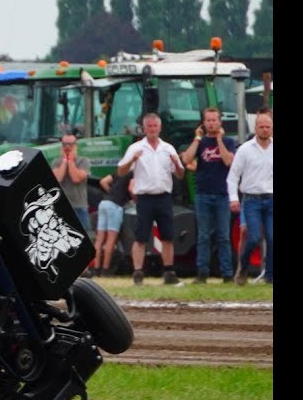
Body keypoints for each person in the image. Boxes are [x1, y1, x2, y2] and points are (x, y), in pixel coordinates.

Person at [116, 112, 186, 285]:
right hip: (145, 198)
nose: (153, 129)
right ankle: (138, 272)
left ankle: (169, 272)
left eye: (155, 126)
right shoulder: (136, 148)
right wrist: (132, 159)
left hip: (163, 197)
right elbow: (120, 172)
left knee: (167, 236)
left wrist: (177, 163)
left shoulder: (168, 148)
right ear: (144, 128)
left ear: (160, 128)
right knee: (140, 237)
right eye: (150, 126)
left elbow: (180, 174)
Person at [180, 108, 237, 284]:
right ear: (203, 123)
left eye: (214, 120)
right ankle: (202, 273)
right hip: (203, 195)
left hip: (222, 194)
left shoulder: (228, 141)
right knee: (203, 235)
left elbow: (228, 161)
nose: (212, 123)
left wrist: (219, 138)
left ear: (220, 122)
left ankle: (227, 274)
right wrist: (197, 138)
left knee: (223, 236)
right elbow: (186, 159)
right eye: (208, 120)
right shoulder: (201, 143)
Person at [227, 110, 273, 285]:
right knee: (253, 237)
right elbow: (233, 176)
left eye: (267, 127)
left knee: (271, 237)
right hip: (251, 200)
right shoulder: (245, 150)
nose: (264, 130)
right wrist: (233, 198)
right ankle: (243, 266)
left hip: (271, 199)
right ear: (255, 128)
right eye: (261, 126)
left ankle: (270, 275)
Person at [92, 170, 132, 277]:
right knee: (111, 239)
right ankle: (105, 270)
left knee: (99, 240)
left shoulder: (119, 171)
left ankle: (96, 269)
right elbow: (131, 188)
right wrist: (129, 199)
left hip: (104, 203)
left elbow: (103, 181)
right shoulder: (133, 173)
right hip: (115, 206)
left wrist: (111, 193)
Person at [52, 133, 92, 233]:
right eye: (65, 144)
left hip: (79, 206)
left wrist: (70, 161)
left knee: (84, 238)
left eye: (71, 144)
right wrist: (65, 160)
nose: (68, 147)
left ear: (76, 146)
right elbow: (58, 178)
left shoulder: (83, 161)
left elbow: (76, 178)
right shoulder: (56, 162)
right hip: (62, 206)